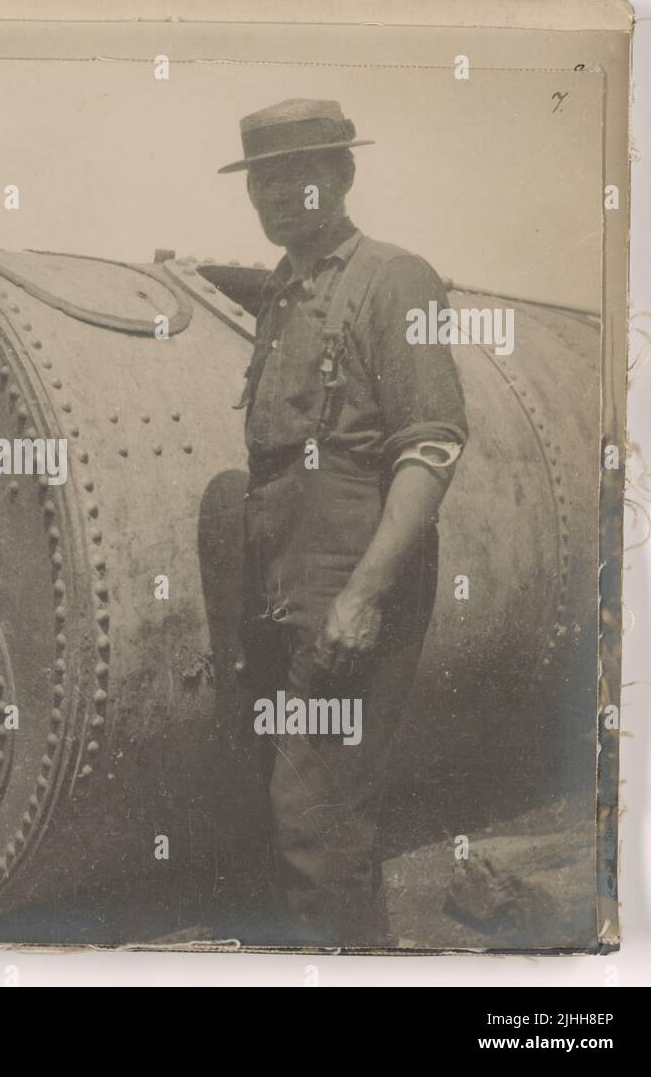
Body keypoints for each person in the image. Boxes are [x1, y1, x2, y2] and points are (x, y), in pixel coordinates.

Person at [221, 98, 469, 945]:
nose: (279, 196)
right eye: (263, 180)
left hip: (354, 605)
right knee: (301, 815)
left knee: (318, 815)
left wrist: (362, 599)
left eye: (300, 176)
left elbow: (431, 449)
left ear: (343, 176)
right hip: (290, 603)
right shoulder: (284, 297)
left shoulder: (394, 280)